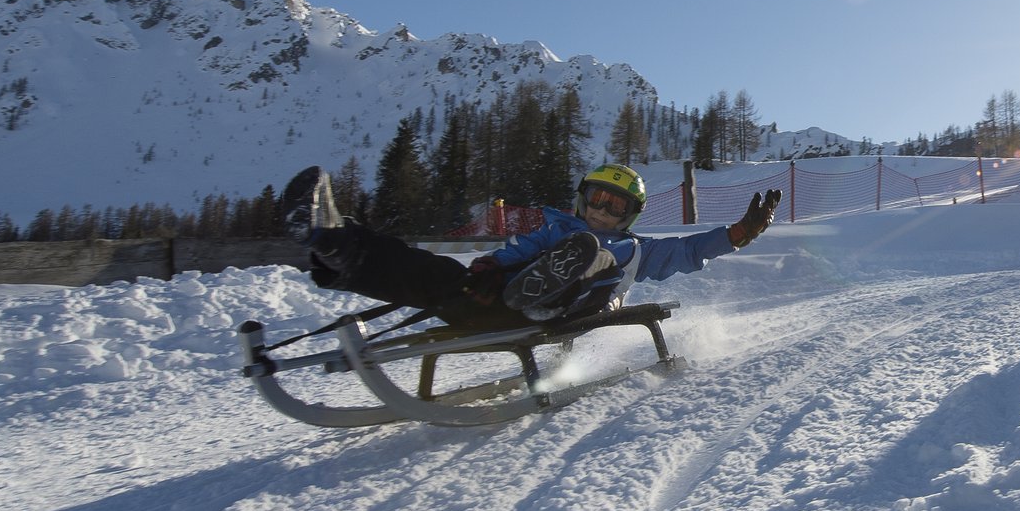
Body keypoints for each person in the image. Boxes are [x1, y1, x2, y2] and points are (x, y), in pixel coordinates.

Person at [280, 162, 782, 325]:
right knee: (433, 276)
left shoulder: (639, 248)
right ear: (582, 199)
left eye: (616, 207)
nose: (604, 211)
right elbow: (514, 251)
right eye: (597, 201)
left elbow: (692, 250)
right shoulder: (553, 229)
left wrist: (738, 234)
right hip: (509, 299)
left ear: (630, 216)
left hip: (581, 305)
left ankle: (564, 278)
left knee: (603, 252)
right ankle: (334, 240)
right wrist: (487, 270)